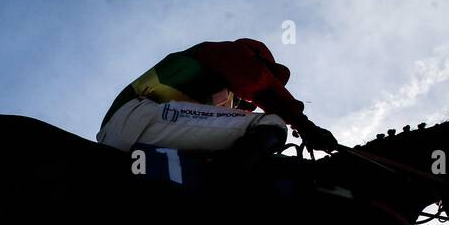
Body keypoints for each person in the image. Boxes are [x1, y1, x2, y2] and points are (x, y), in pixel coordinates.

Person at [97, 39, 338, 167]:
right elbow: (262, 87)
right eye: (270, 72)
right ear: (256, 57)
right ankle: (223, 196)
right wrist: (307, 127)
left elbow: (229, 116)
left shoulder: (219, 85)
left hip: (131, 130)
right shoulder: (231, 53)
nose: (271, 78)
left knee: (248, 138)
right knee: (272, 125)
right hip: (138, 117)